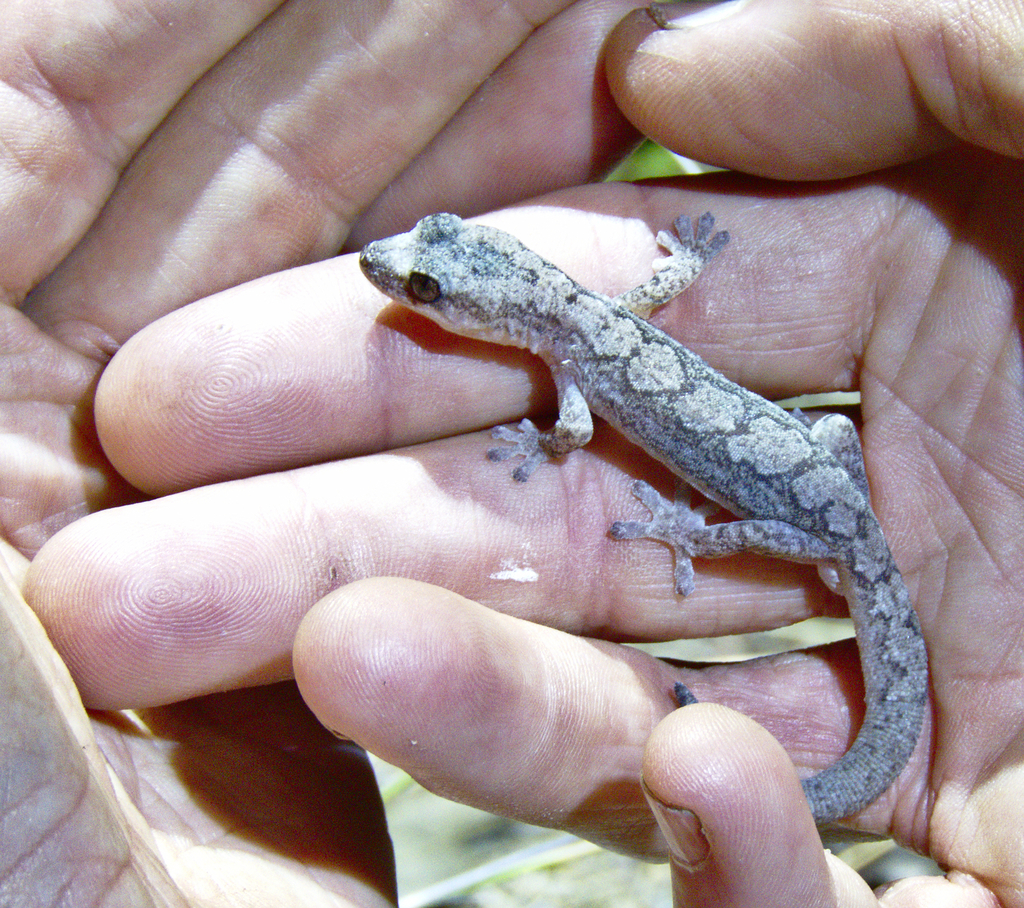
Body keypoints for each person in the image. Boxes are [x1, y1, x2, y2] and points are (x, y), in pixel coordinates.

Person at [3, 0, 1022, 905]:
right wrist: (682, 263)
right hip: (825, 469)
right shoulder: (590, 320)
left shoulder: (575, 366)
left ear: (505, 308)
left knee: (759, 530)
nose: (400, 279)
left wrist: (681, 530)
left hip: (808, 520)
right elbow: (648, 312)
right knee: (830, 448)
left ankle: (721, 561)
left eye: (430, 290)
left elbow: (574, 432)